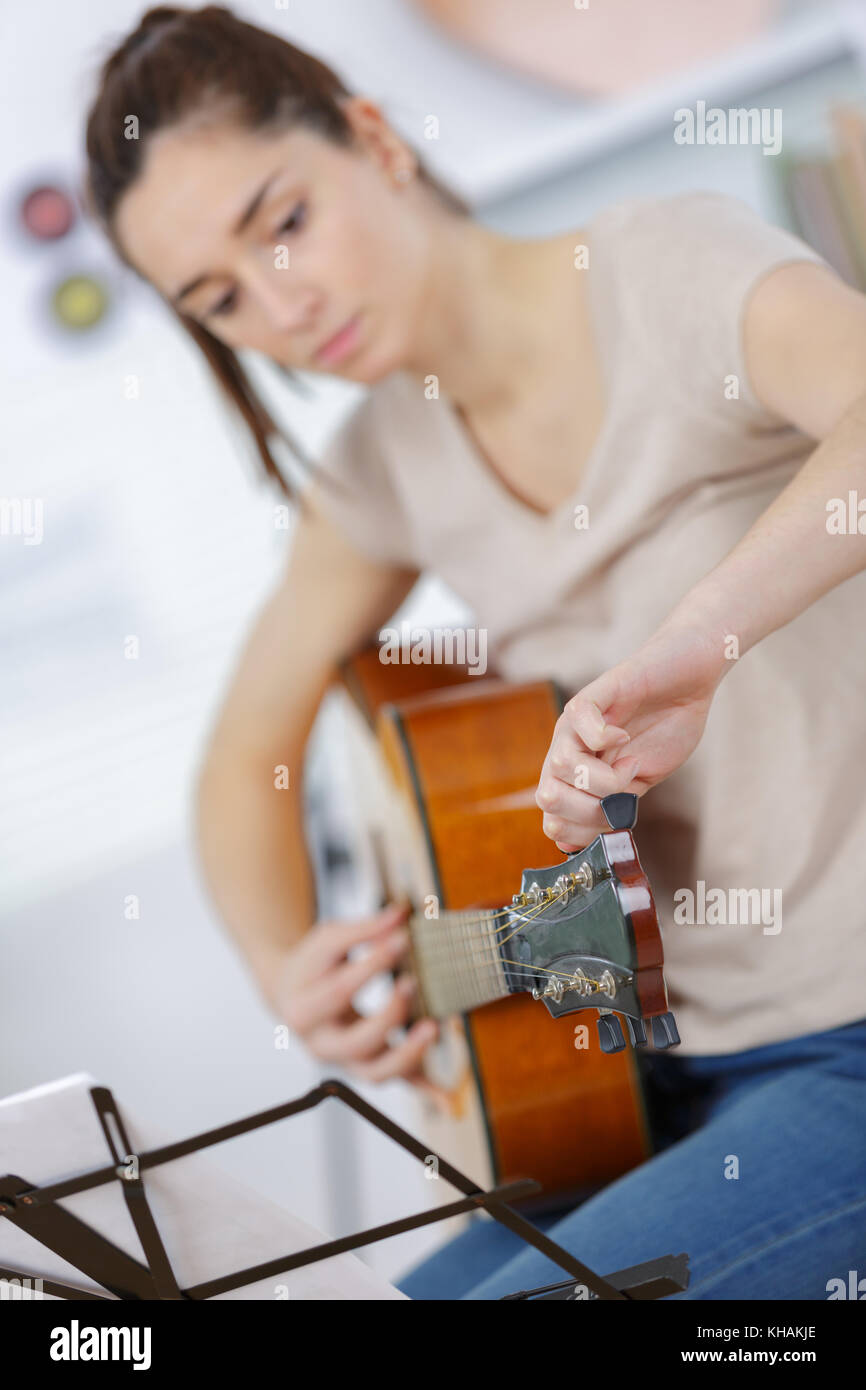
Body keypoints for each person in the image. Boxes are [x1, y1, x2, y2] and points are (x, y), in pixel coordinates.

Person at [84, 5, 866, 1300]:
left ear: (372, 140)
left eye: (281, 220)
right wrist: (292, 968)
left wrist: (695, 639)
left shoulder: (657, 266)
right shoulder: (381, 470)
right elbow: (240, 762)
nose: (279, 303)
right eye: (219, 298)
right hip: (647, 1075)